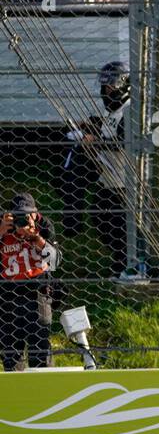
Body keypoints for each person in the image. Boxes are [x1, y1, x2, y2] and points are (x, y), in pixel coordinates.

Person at [60, 60, 133, 278]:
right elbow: (108, 130)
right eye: (104, 87)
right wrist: (91, 126)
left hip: (123, 182)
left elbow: (123, 142)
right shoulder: (115, 112)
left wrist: (96, 141)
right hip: (109, 178)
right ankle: (121, 261)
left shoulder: (129, 111)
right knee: (100, 216)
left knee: (118, 224)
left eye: (110, 87)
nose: (105, 92)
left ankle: (127, 263)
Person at [0, 192, 60, 371]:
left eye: (27, 215)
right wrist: (1, 231)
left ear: (35, 214)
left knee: (40, 351)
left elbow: (56, 261)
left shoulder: (44, 225)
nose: (23, 221)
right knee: (11, 356)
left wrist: (36, 239)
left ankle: (46, 393)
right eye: (19, 216)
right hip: (7, 296)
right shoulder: (4, 226)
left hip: (37, 292)